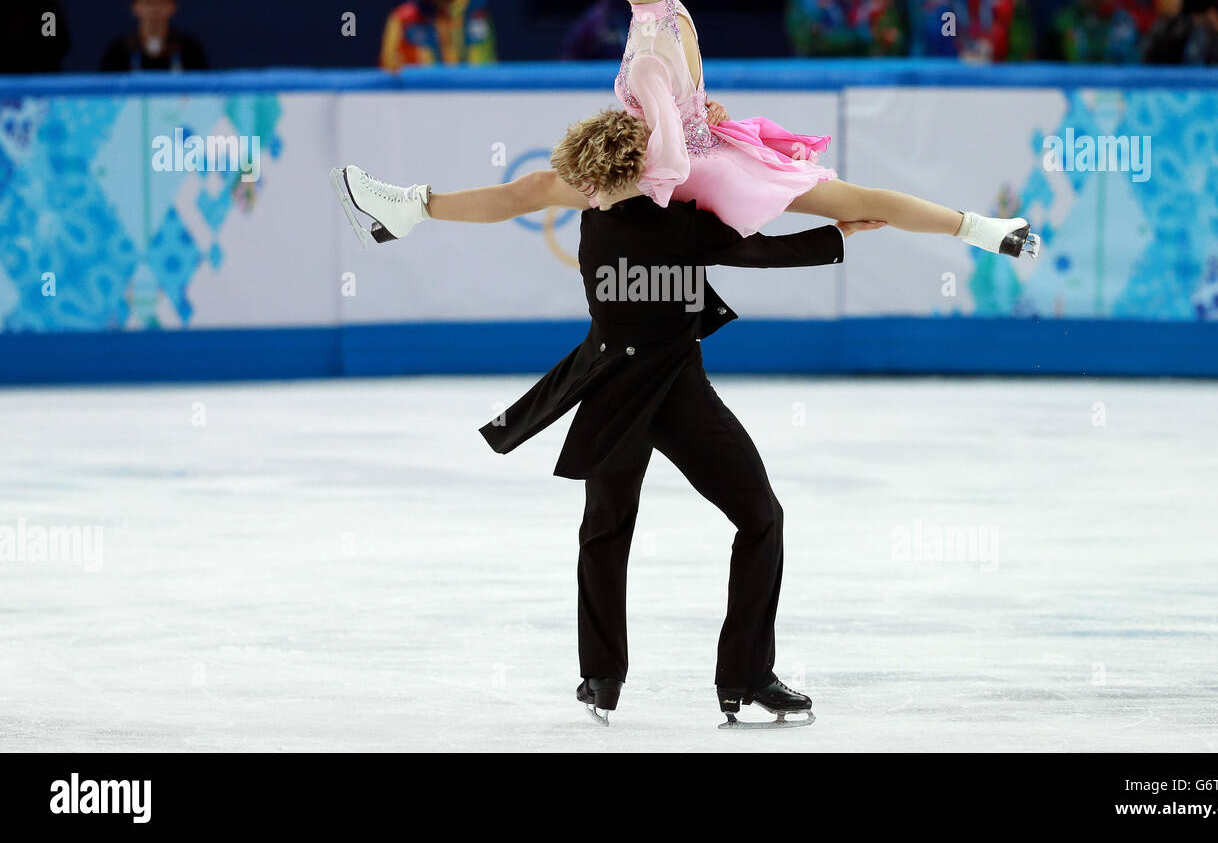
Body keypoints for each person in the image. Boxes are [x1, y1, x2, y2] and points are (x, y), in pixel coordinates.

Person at [339, 108, 882, 727]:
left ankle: (600, 677)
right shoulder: (683, 222)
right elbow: (755, 253)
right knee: (760, 517)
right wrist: (838, 235)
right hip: (677, 394)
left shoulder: (593, 226)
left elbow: (523, 193)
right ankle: (746, 675)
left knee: (606, 528)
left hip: (609, 392)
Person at [333, 0, 1039, 265]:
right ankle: (988, 230)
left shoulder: (648, 49)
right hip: (717, 150)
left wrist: (620, 201)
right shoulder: (657, 3)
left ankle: (412, 208)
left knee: (532, 191)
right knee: (858, 198)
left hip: (690, 171)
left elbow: (669, 161)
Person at [99, 0, 208, 72]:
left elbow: (205, 90)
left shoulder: (189, 49)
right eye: (149, 2)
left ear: (173, 6)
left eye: (161, 2)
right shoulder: (118, 51)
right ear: (135, 6)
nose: (155, 9)